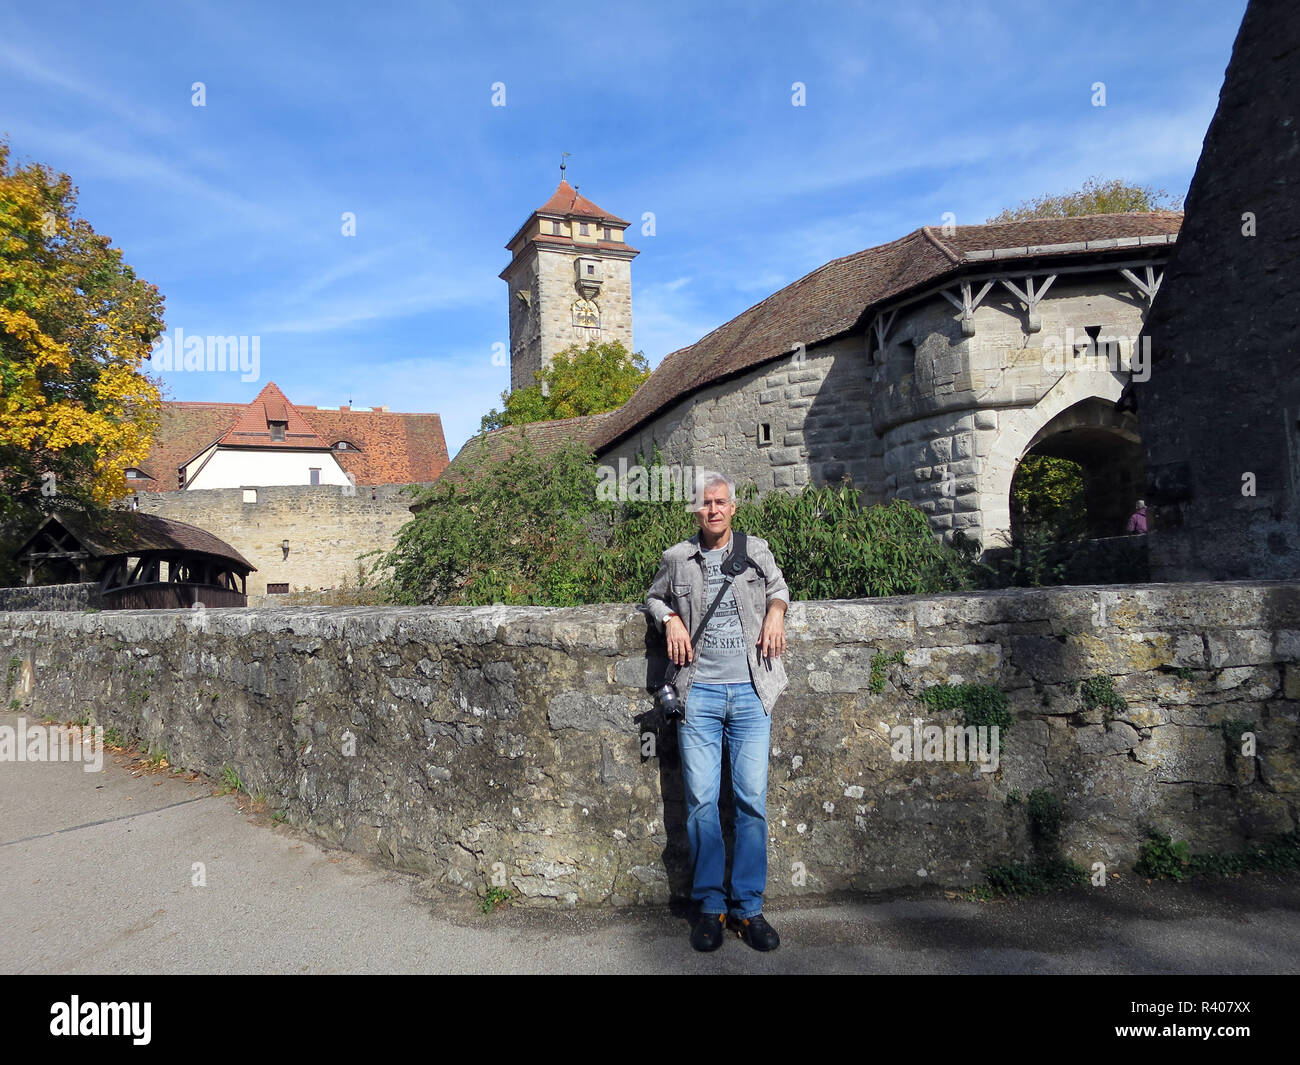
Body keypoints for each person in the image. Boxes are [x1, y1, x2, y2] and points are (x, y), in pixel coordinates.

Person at [644, 471, 789, 952]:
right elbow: (653, 596)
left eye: (720, 502)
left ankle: (749, 910)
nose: (713, 510)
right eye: (705, 503)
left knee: (751, 802)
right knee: (702, 804)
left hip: (751, 692)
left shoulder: (756, 550)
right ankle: (711, 907)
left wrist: (775, 612)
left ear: (733, 506)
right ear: (696, 511)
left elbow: (780, 587)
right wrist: (670, 620)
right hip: (698, 695)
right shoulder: (677, 558)